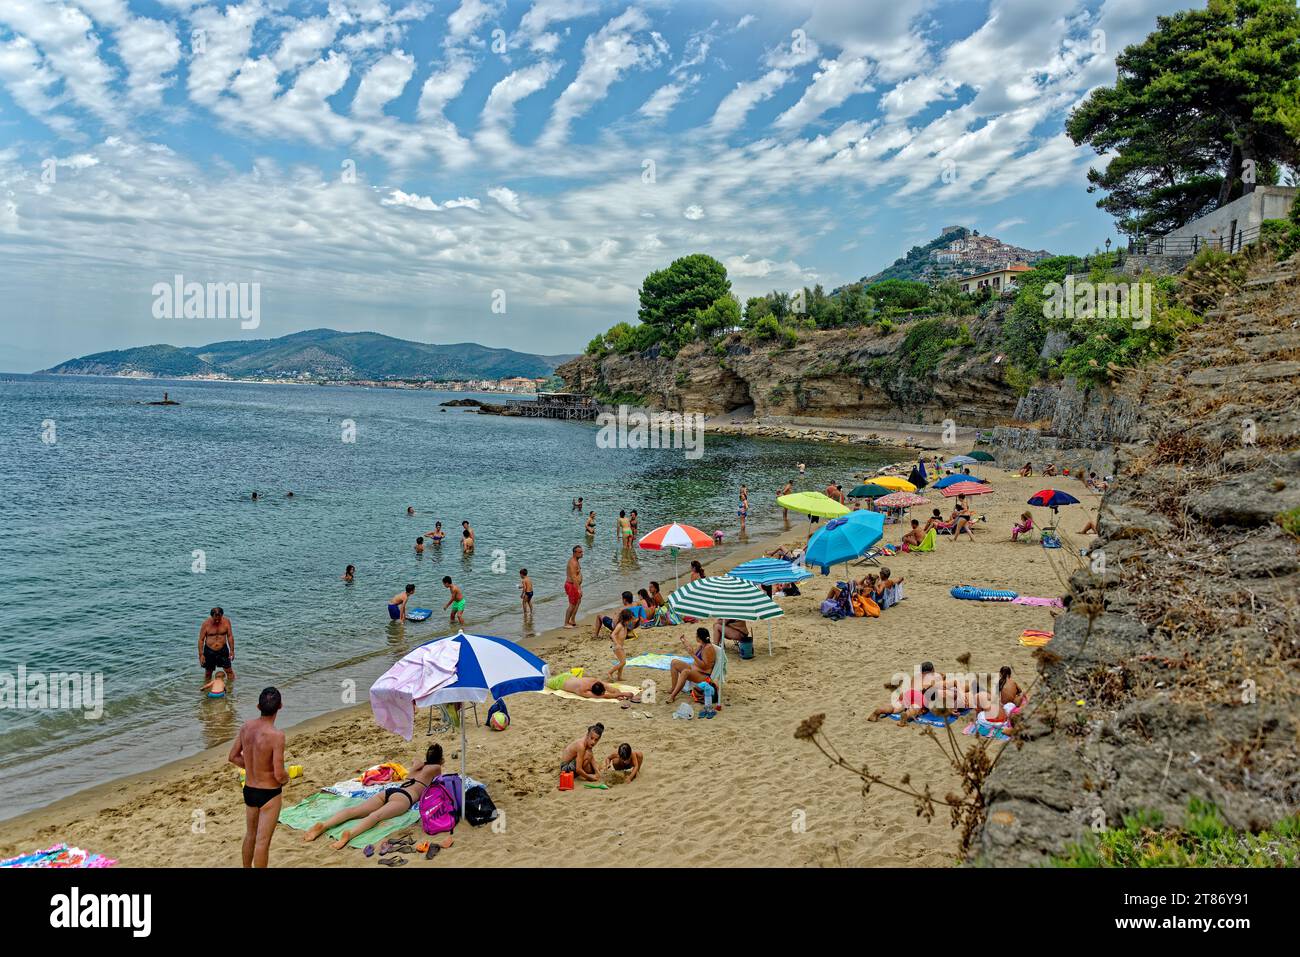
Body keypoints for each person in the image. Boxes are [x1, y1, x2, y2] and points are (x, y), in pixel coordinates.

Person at [304, 745, 444, 850]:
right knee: (376, 816)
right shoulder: (435, 768)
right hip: (405, 797)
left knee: (355, 811)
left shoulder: (416, 769)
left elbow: (416, 761)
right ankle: (350, 834)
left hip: (391, 791)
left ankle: (324, 825)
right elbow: (440, 776)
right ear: (439, 759)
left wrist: (421, 762)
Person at [229, 687, 289, 867]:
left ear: (258, 706)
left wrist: (253, 766)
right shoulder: (277, 736)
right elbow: (279, 774)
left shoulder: (246, 727)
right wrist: (286, 778)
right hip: (269, 793)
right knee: (263, 842)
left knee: (250, 835)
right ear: (280, 706)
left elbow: (233, 756)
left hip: (249, 790)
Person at [868, 662, 938, 721]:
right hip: (920, 698)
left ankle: (878, 711)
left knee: (895, 708)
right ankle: (905, 718)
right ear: (932, 670)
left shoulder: (916, 677)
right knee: (914, 709)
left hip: (909, 694)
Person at [668, 629, 717, 703]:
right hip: (694, 670)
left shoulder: (708, 648)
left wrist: (693, 655)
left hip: (702, 675)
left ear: (699, 638)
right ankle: (673, 688)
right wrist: (684, 641)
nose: (695, 637)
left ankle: (673, 696)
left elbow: (705, 666)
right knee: (674, 662)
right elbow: (692, 651)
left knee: (685, 672)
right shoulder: (702, 645)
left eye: (696, 635)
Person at [199, 607, 235, 687]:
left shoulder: (226, 622)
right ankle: (207, 692)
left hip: (223, 650)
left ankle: (230, 692)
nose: (218, 620)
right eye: (215, 619)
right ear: (212, 616)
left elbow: (230, 636)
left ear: (222, 615)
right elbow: (201, 640)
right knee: (208, 673)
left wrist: (232, 650)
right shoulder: (206, 624)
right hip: (209, 651)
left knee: (229, 671)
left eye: (219, 618)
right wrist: (201, 655)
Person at [545, 675, 637, 700]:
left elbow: (609, 688)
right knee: (544, 682)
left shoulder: (595, 681)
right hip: (558, 683)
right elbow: (603, 696)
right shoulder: (582, 691)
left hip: (568, 676)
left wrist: (618, 694)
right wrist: (622, 694)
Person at [606, 609, 634, 683]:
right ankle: (610, 672)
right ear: (627, 619)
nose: (631, 621)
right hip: (616, 646)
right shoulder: (620, 626)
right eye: (631, 619)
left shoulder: (625, 625)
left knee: (622, 661)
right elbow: (612, 634)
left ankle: (619, 676)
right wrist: (617, 644)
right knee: (623, 662)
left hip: (620, 646)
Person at [564, 545, 584, 628]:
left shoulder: (576, 560)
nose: (582, 554)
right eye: (580, 552)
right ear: (574, 553)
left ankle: (572, 620)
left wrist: (579, 586)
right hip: (572, 585)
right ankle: (566, 623)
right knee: (572, 604)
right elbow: (573, 577)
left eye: (582, 552)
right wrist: (578, 589)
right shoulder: (572, 562)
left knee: (578, 602)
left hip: (575, 585)